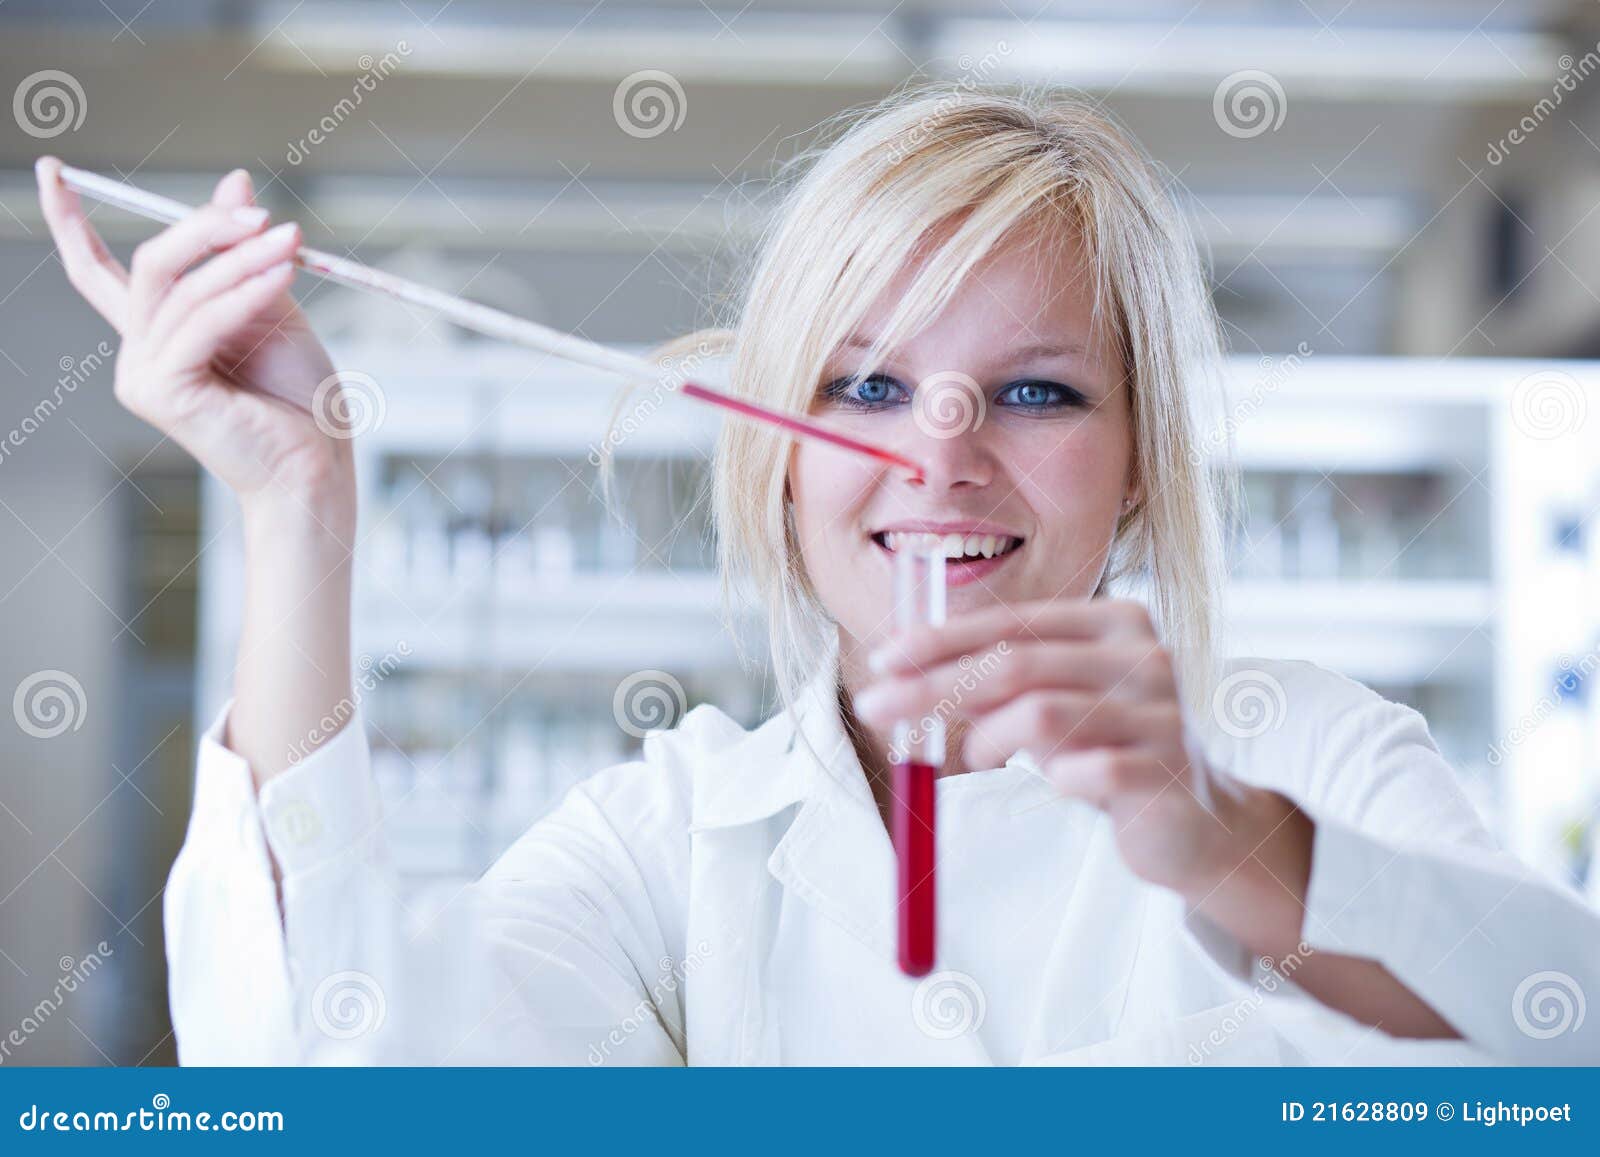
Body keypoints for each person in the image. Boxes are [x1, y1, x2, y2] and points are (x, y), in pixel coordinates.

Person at [35, 84, 1600, 1066]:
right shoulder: (666, 845)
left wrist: (1234, 848)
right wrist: (299, 507)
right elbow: (335, 1073)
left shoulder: (1301, 749)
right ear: (775, 452)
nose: (941, 454)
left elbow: (1562, 1043)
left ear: (1140, 459)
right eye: (862, 386)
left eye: (1040, 391)